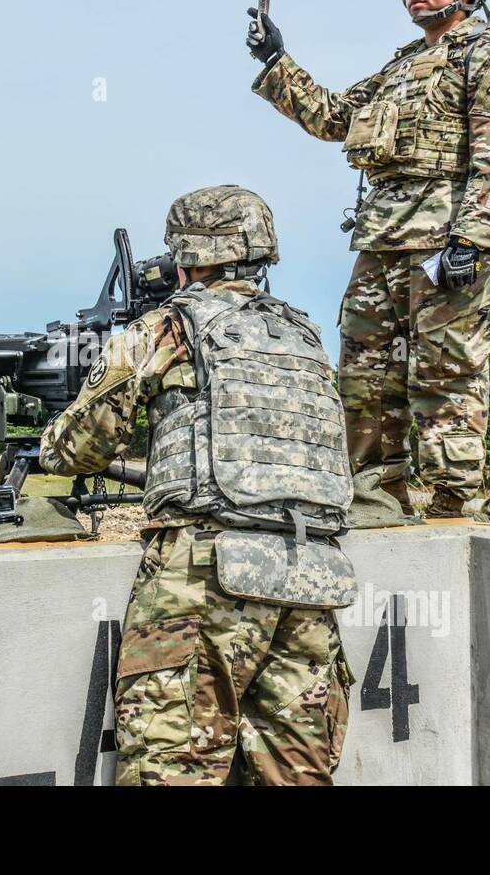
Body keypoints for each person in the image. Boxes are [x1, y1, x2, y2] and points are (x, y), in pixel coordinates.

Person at [41, 185, 357, 785]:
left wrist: (47, 431)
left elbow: (79, 448)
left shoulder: (166, 328)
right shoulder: (303, 336)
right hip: (312, 576)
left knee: (174, 770)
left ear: (188, 256)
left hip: (205, 577)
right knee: (298, 776)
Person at [247, 0, 490, 517]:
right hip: (380, 239)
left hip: (443, 238)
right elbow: (333, 117)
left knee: (445, 371)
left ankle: (456, 505)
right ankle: (376, 496)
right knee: (366, 374)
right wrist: (278, 62)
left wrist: (475, 239)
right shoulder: (400, 68)